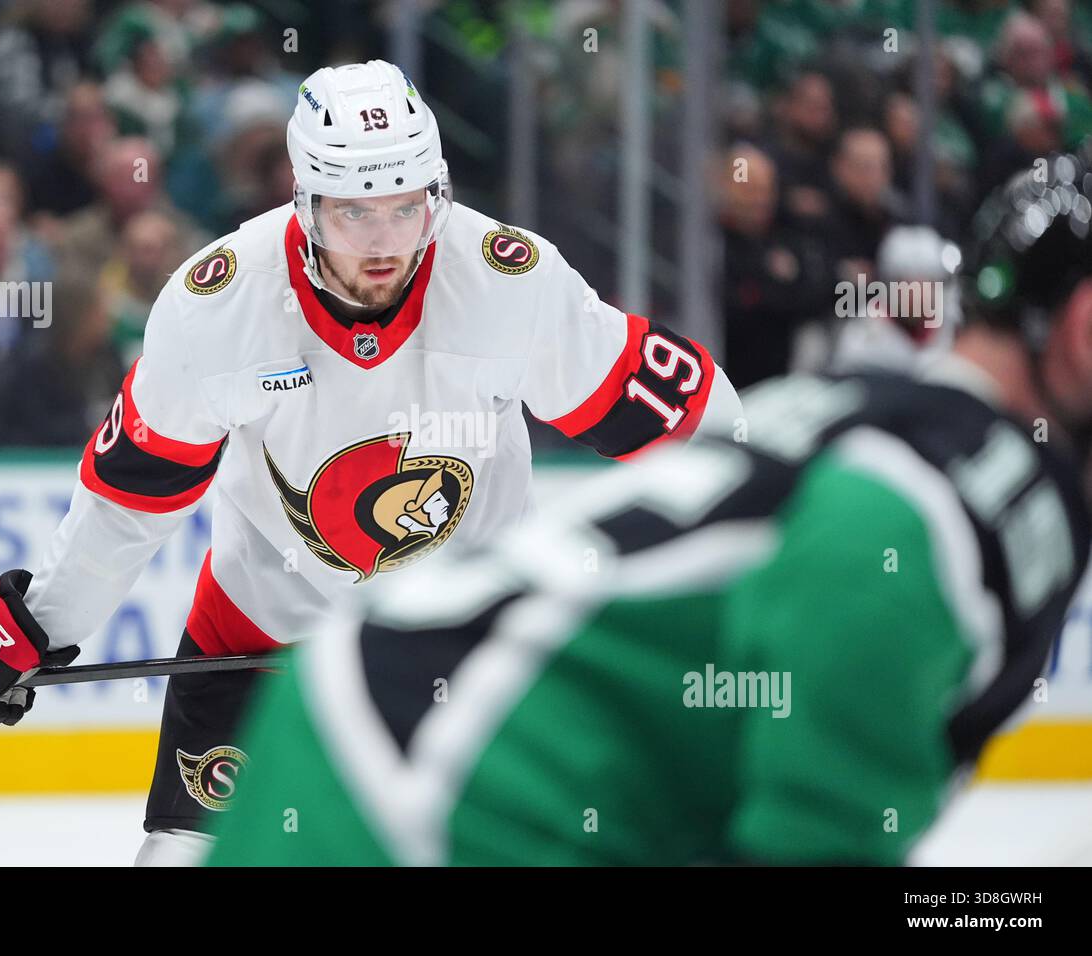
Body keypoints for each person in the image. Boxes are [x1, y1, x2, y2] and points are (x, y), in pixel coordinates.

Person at [0, 60, 742, 865]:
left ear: (438, 193)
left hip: (465, 638)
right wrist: (31, 627)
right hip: (262, 632)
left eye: (406, 207)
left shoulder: (506, 281)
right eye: (354, 214)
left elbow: (695, 423)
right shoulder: (219, 306)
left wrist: (763, 556)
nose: (385, 243)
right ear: (305, 204)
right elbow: (134, 498)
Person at [205, 151, 1092, 865]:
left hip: (385, 724)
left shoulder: (896, 427)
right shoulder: (940, 500)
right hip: (418, 784)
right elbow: (818, 830)